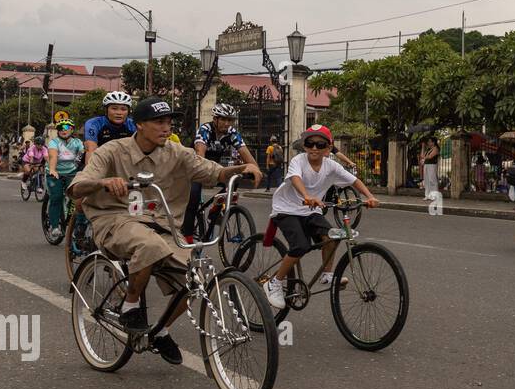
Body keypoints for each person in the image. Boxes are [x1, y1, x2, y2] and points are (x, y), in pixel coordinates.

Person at [68, 97, 261, 364]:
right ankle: (130, 304)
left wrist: (244, 169)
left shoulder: (176, 153)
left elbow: (213, 172)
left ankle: (161, 331)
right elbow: (77, 187)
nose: (166, 128)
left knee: (195, 280)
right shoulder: (112, 151)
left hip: (161, 224)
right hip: (114, 218)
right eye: (159, 122)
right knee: (150, 246)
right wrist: (103, 182)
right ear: (140, 125)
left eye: (169, 122)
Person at [259, 125, 378, 310]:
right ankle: (274, 282)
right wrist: (307, 196)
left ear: (328, 148)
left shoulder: (331, 166)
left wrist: (369, 196)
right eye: (310, 143)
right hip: (286, 209)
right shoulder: (298, 161)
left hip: (310, 211)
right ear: (305, 146)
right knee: (301, 246)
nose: (314, 148)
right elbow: (296, 179)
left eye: (320, 144)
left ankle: (328, 275)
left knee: (333, 235)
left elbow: (353, 180)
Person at [181, 103, 257, 241]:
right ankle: (187, 235)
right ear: (215, 119)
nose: (227, 123)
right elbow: (200, 156)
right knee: (193, 197)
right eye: (223, 119)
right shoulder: (205, 130)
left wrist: (255, 170)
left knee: (234, 180)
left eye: (230, 120)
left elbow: (248, 157)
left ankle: (215, 210)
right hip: (196, 167)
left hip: (215, 167)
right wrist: (204, 174)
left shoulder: (232, 133)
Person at [44, 120, 84, 241]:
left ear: (72, 129)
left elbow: (83, 155)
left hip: (72, 173)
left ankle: (77, 226)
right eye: (60, 128)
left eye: (66, 127)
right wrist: (52, 169)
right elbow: (53, 156)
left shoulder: (77, 142)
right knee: (56, 197)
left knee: (78, 197)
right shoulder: (54, 142)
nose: (63, 130)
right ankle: (55, 226)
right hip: (55, 172)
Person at [83, 91, 136, 161]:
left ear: (128, 111)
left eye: (123, 109)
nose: (119, 113)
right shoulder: (94, 123)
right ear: (106, 110)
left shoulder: (133, 124)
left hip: (124, 162)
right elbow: (91, 150)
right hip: (100, 160)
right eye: (114, 108)